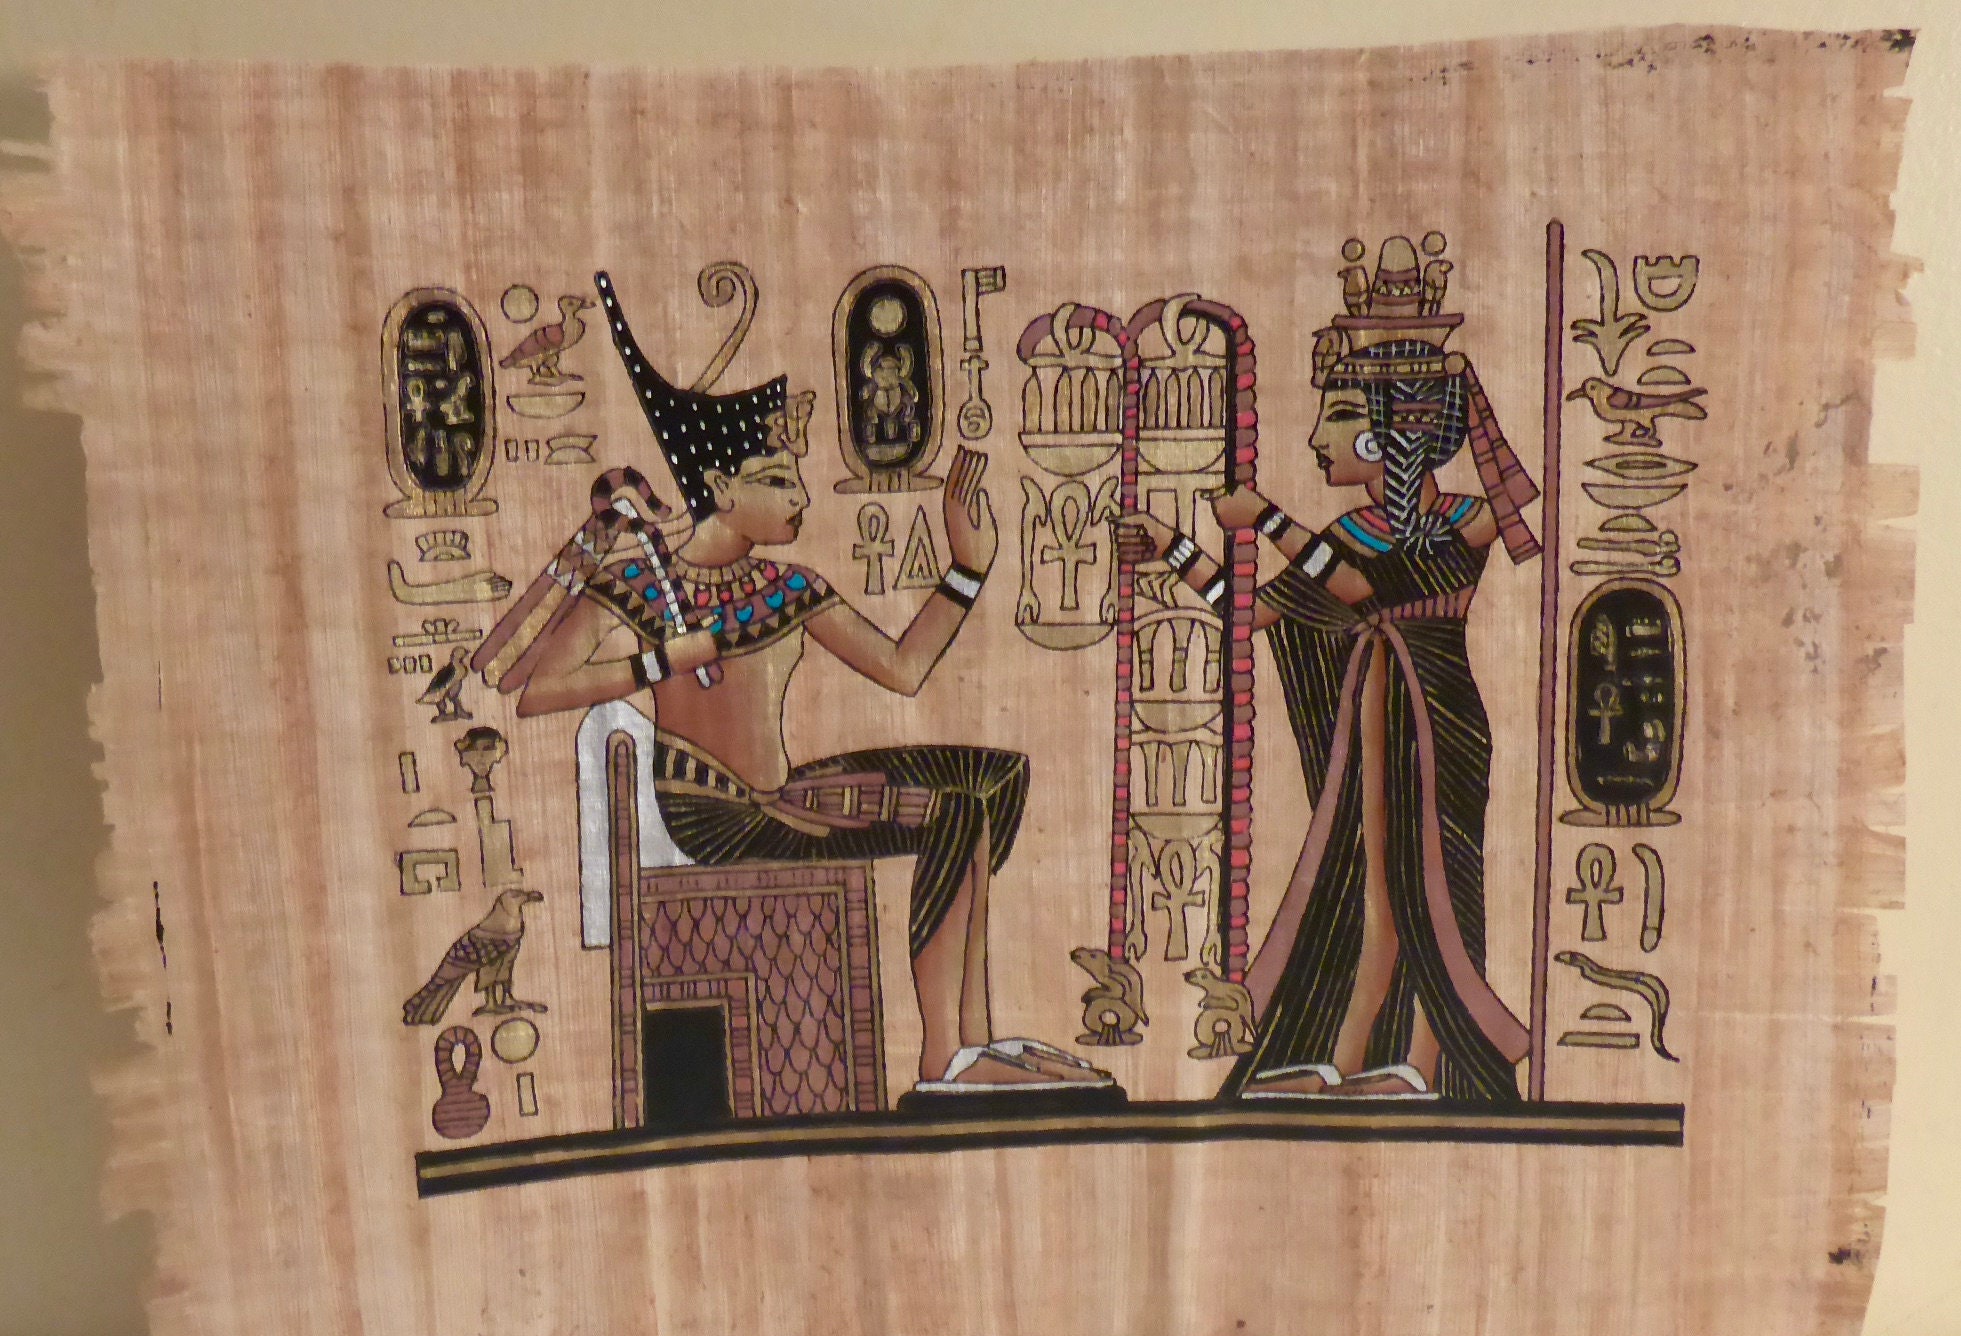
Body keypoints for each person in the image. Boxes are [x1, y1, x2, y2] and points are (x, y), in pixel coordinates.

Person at [503, 271, 1113, 1103]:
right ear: (721, 489)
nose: (801, 496)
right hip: (718, 814)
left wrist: (966, 569)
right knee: (950, 814)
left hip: (777, 795)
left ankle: (977, 1034)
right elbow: (537, 690)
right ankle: (943, 1057)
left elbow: (902, 669)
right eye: (777, 479)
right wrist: (659, 662)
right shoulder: (639, 582)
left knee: (992, 778)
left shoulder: (787, 584)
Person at [1117, 235, 1539, 1101]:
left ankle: (1421, 1063)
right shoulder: (1345, 531)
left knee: (1434, 894)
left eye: (1338, 417)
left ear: (1391, 432)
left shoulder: (1466, 522)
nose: (1316, 438)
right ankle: (1345, 1055)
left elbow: (1369, 587)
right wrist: (1174, 549)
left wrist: (1267, 520)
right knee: (1374, 893)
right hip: (1373, 705)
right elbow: (1253, 614)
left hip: (1439, 715)